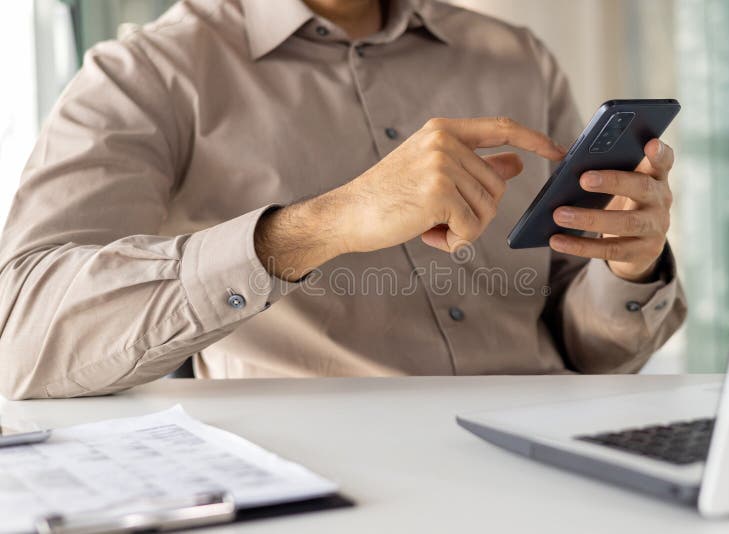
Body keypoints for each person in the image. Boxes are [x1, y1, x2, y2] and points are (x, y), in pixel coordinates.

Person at [0, 0, 686, 400]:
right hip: (327, 495)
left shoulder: (514, 57)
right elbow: (21, 340)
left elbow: (593, 353)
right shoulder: (148, 74)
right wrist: (320, 225)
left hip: (557, 473)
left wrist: (627, 270)